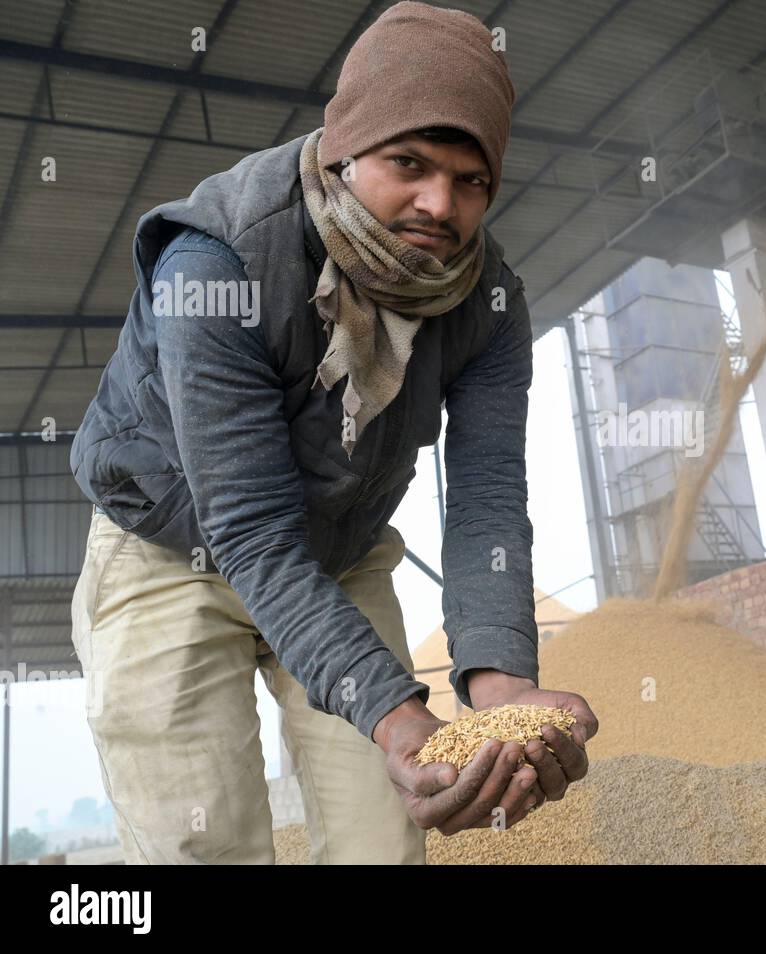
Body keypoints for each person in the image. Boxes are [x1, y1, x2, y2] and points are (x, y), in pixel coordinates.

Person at [67, 2, 597, 864]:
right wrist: (397, 713)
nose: (440, 204)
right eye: (409, 164)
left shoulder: (488, 301)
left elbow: (489, 504)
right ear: (346, 149)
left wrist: (501, 684)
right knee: (198, 840)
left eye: (472, 181)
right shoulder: (217, 263)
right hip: (173, 548)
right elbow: (249, 529)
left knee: (384, 840)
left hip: (336, 553)